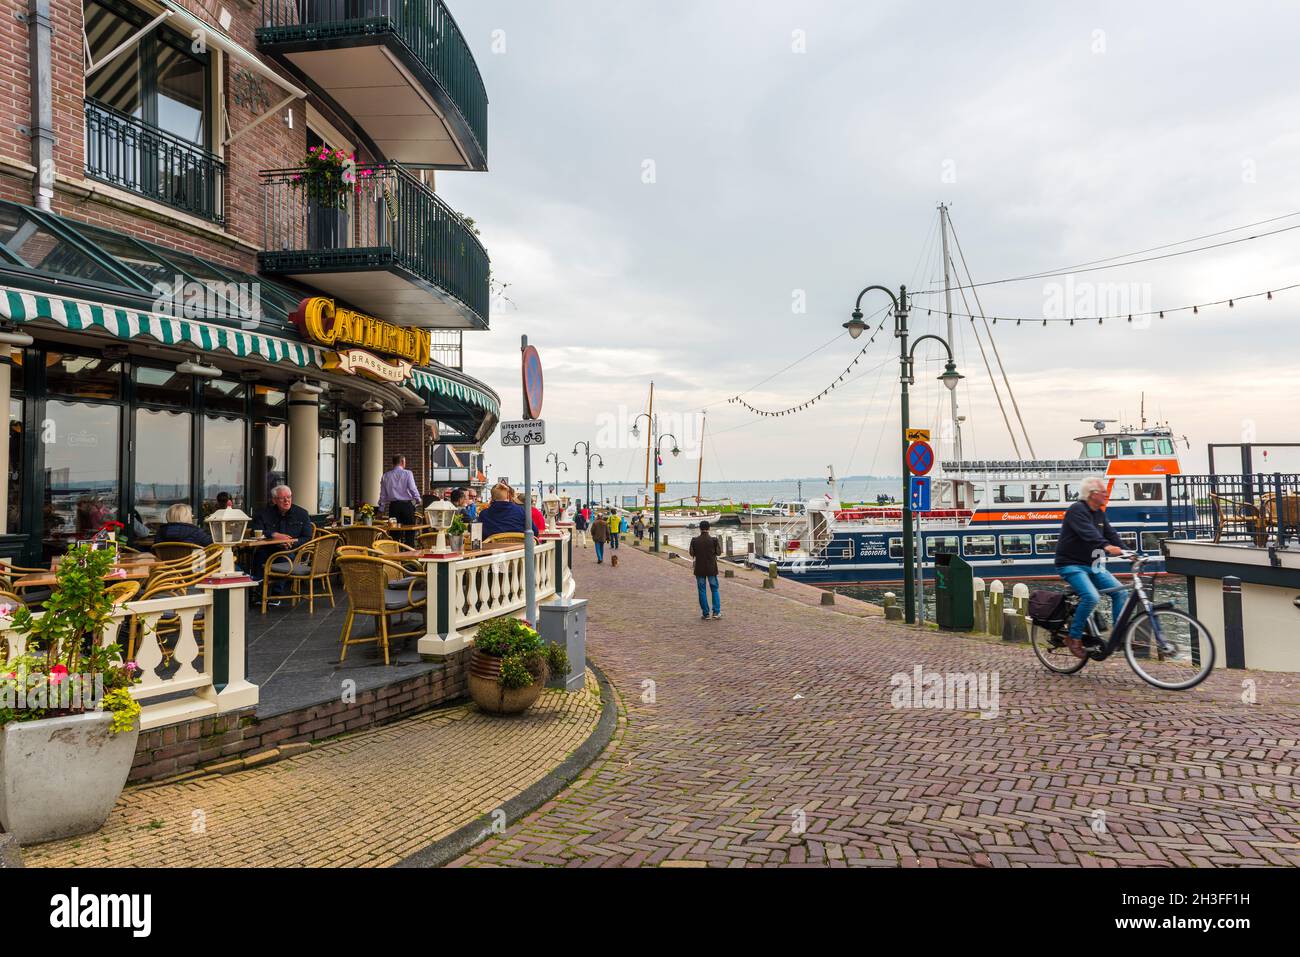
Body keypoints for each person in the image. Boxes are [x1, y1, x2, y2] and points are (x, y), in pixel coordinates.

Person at [1055, 476, 1128, 659]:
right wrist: (1105, 546)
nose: (1106, 495)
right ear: (1092, 494)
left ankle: (1118, 634)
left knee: (1121, 592)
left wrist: (1130, 552)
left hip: (1093, 565)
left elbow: (1111, 534)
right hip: (1071, 565)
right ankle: (1074, 637)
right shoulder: (1076, 510)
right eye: (1103, 492)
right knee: (1091, 596)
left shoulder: (1099, 513)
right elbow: (1089, 533)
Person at [252, 485, 314, 600]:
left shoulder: (302, 513)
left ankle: (276, 595)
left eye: (289, 497)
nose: (287, 500)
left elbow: (307, 537)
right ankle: (258, 592)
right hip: (269, 548)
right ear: (274, 500)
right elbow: (256, 531)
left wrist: (291, 543)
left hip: (293, 551)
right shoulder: (264, 514)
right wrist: (274, 535)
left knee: (284, 556)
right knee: (259, 555)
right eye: (282, 498)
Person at [378, 454, 420, 541]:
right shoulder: (408, 473)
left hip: (394, 507)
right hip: (406, 506)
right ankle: (409, 551)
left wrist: (381, 509)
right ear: (402, 462)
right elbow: (412, 488)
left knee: (394, 533)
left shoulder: (385, 476)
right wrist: (418, 499)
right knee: (410, 531)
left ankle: (395, 551)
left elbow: (383, 495)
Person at [690, 520, 722, 620]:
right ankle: (716, 612)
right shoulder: (714, 540)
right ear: (709, 528)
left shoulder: (694, 540)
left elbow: (691, 553)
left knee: (702, 590)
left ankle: (706, 613)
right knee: (714, 589)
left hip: (699, 568)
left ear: (700, 528)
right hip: (711, 568)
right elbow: (719, 553)